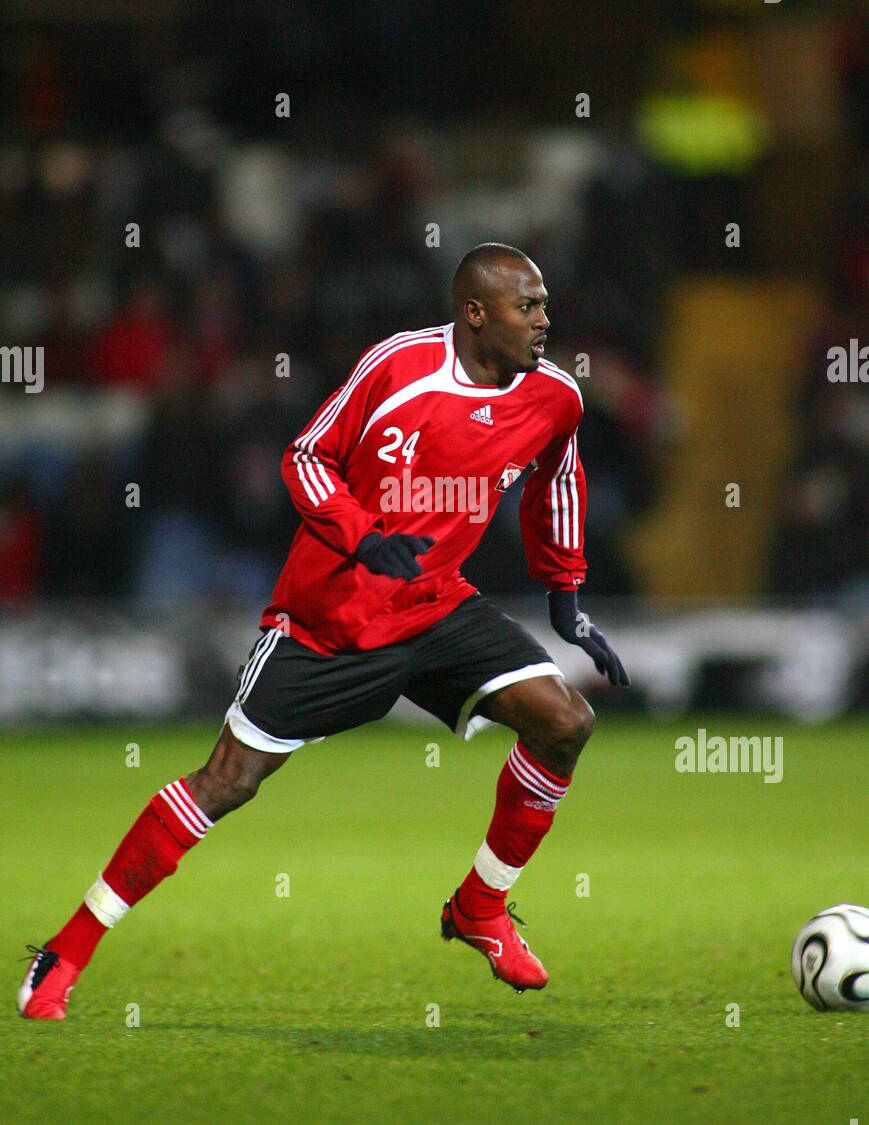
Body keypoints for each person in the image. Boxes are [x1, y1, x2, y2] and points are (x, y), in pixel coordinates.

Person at [19, 243, 628, 1019]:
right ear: (475, 313)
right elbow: (306, 457)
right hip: (330, 617)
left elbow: (557, 478)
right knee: (227, 781)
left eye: (544, 305)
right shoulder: (397, 367)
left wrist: (564, 595)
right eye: (528, 306)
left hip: (436, 604)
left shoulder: (555, 397)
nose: (545, 322)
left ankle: (479, 907)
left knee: (563, 722)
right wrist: (360, 533)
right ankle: (66, 950)